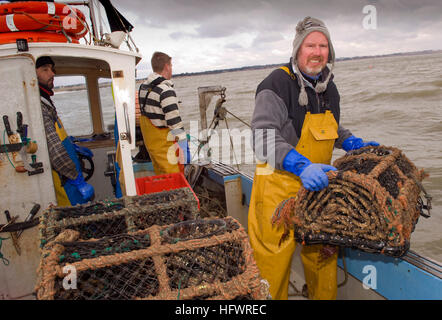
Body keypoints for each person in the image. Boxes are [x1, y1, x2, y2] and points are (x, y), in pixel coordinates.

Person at [248, 17, 379, 300]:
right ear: (297, 49)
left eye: (323, 45)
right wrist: (301, 165)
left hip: (317, 188)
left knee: (323, 253)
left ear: (329, 51)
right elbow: (262, 138)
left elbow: (330, 125)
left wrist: (350, 141)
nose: (317, 52)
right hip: (277, 188)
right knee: (273, 261)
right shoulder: (275, 84)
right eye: (311, 45)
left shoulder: (328, 87)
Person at [36, 56, 94, 206]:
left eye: (51, 69)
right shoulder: (39, 107)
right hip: (66, 181)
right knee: (72, 219)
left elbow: (56, 137)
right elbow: (55, 151)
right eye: (45, 70)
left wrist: (72, 146)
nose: (52, 74)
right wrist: (77, 179)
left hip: (69, 177)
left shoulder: (46, 102)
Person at [138, 51, 190, 175]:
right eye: (171, 66)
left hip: (153, 148)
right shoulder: (166, 91)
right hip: (167, 149)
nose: (171, 69)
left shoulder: (143, 88)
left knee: (162, 178)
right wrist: (184, 148)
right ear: (167, 66)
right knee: (176, 181)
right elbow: (175, 125)